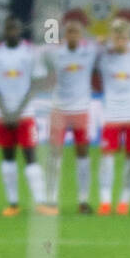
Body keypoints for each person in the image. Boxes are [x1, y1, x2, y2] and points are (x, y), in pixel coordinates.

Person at [0, 17, 49, 215]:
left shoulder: (31, 53)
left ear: (20, 30)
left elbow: (36, 83)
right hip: (2, 115)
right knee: (8, 158)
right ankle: (13, 204)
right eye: (9, 28)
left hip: (25, 113)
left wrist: (18, 112)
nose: (12, 31)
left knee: (31, 157)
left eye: (15, 28)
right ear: (4, 30)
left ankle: (41, 202)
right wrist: (5, 112)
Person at [42, 17, 100, 213]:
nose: (73, 36)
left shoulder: (89, 52)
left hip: (81, 110)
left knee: (82, 154)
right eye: (69, 32)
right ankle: (52, 200)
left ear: (81, 35)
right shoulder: (56, 54)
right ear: (64, 36)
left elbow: (108, 43)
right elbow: (39, 53)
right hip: (59, 110)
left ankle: (83, 200)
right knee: (54, 155)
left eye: (76, 32)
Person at [96, 18, 130, 215]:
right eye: (116, 36)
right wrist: (100, 42)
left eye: (123, 37)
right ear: (112, 37)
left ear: (129, 38)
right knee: (107, 159)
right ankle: (105, 201)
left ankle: (125, 201)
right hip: (111, 114)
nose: (120, 40)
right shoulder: (103, 57)